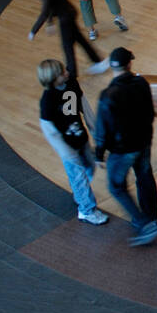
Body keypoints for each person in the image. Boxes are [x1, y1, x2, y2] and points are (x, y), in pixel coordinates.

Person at [93, 48, 157, 246]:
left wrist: (99, 154)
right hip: (144, 141)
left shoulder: (107, 95)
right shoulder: (141, 83)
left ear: (112, 67)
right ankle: (153, 217)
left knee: (116, 186)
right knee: (145, 177)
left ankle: (144, 223)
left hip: (123, 149)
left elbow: (101, 130)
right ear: (129, 64)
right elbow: (150, 114)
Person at [36, 58, 108, 225]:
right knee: (79, 176)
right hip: (67, 146)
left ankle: (79, 193)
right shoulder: (47, 100)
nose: (67, 73)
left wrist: (95, 132)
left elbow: (85, 109)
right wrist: (66, 152)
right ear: (53, 78)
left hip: (80, 138)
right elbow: (50, 131)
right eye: (62, 73)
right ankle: (86, 210)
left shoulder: (72, 85)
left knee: (89, 168)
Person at [28, 0, 109, 78]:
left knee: (67, 46)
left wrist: (33, 31)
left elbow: (45, 12)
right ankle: (97, 61)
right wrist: (50, 23)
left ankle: (72, 74)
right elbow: (51, 7)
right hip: (68, 15)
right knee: (79, 39)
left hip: (66, 18)